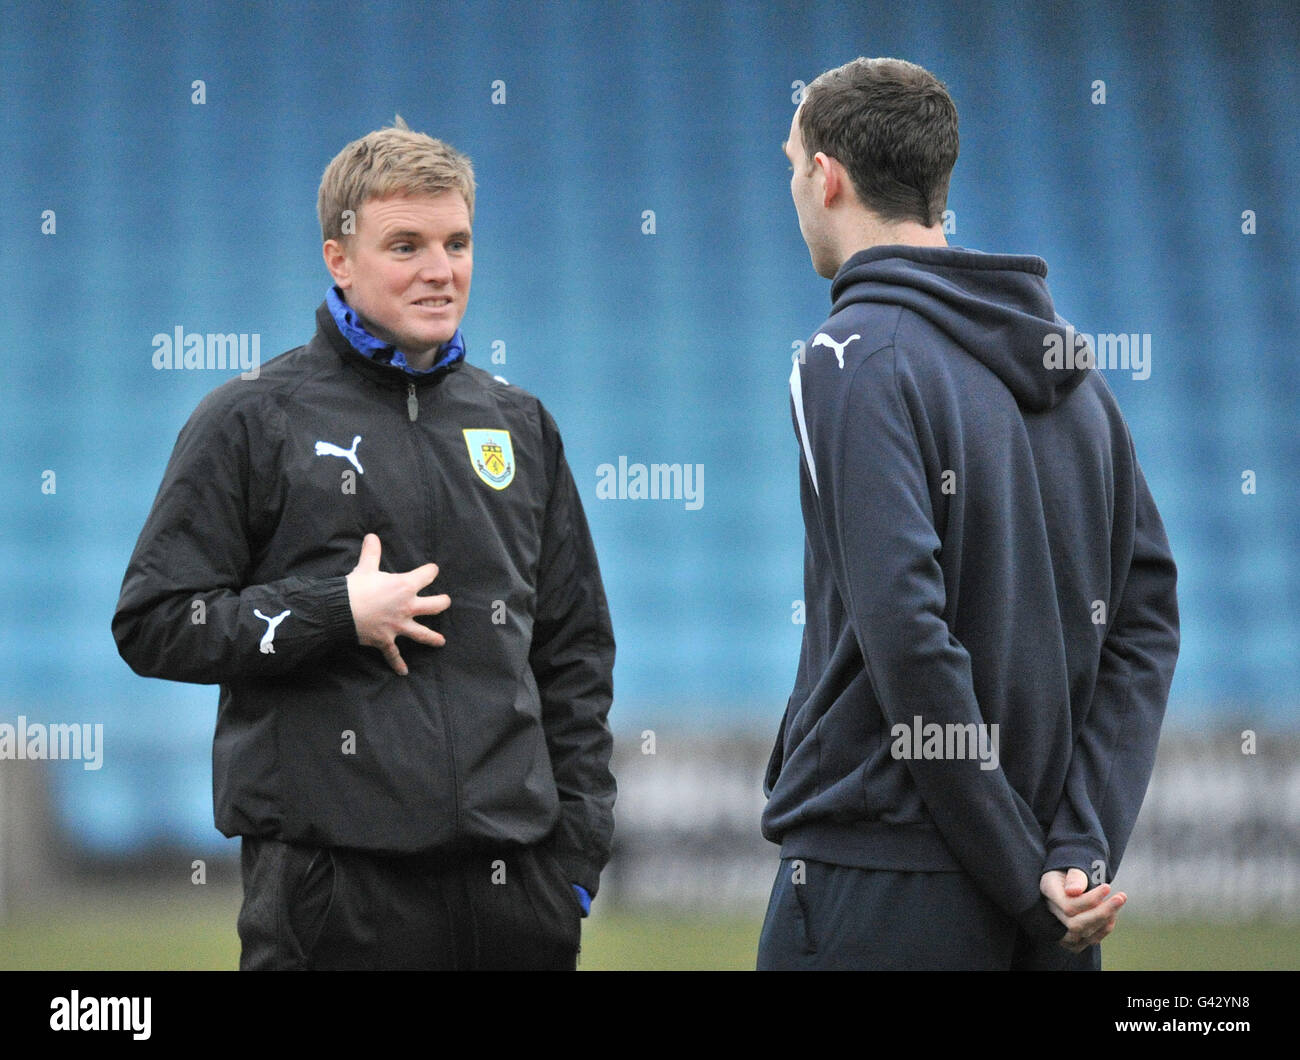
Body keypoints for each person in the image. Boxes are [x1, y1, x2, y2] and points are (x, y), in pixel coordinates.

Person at [112, 117, 616, 970]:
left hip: (515, 897)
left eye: (456, 242)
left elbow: (574, 651)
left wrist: (573, 858)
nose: (439, 270)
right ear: (339, 260)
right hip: (333, 900)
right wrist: (333, 610)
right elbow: (155, 621)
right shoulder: (252, 418)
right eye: (405, 244)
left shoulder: (519, 424)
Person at [758, 58, 1179, 970]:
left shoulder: (850, 355)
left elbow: (908, 635)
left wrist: (1022, 872)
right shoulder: (1078, 375)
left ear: (825, 175)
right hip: (1058, 914)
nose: (793, 188)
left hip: (882, 890)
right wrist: (1074, 853)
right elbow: (1145, 627)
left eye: (792, 164)